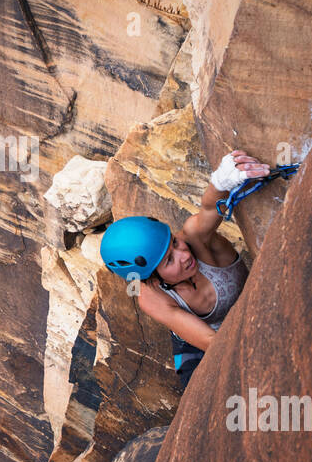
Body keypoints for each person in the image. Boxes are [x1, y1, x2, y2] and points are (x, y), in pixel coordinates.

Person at [99, 151, 271, 388]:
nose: (185, 254)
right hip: (198, 341)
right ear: (153, 280)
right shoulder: (151, 298)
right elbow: (213, 342)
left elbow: (210, 208)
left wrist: (221, 180)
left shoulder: (196, 238)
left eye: (175, 242)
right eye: (170, 260)